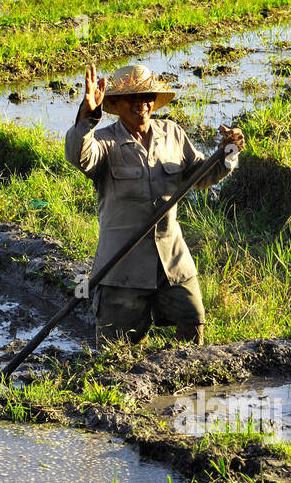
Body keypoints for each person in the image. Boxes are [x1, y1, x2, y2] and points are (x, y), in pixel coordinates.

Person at [64, 62, 246, 348]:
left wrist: (228, 151)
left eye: (147, 97)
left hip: (172, 260)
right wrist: (87, 115)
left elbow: (201, 175)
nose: (142, 104)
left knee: (193, 323)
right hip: (122, 268)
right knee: (115, 352)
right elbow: (79, 156)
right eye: (132, 98)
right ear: (117, 103)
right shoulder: (104, 141)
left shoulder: (171, 134)